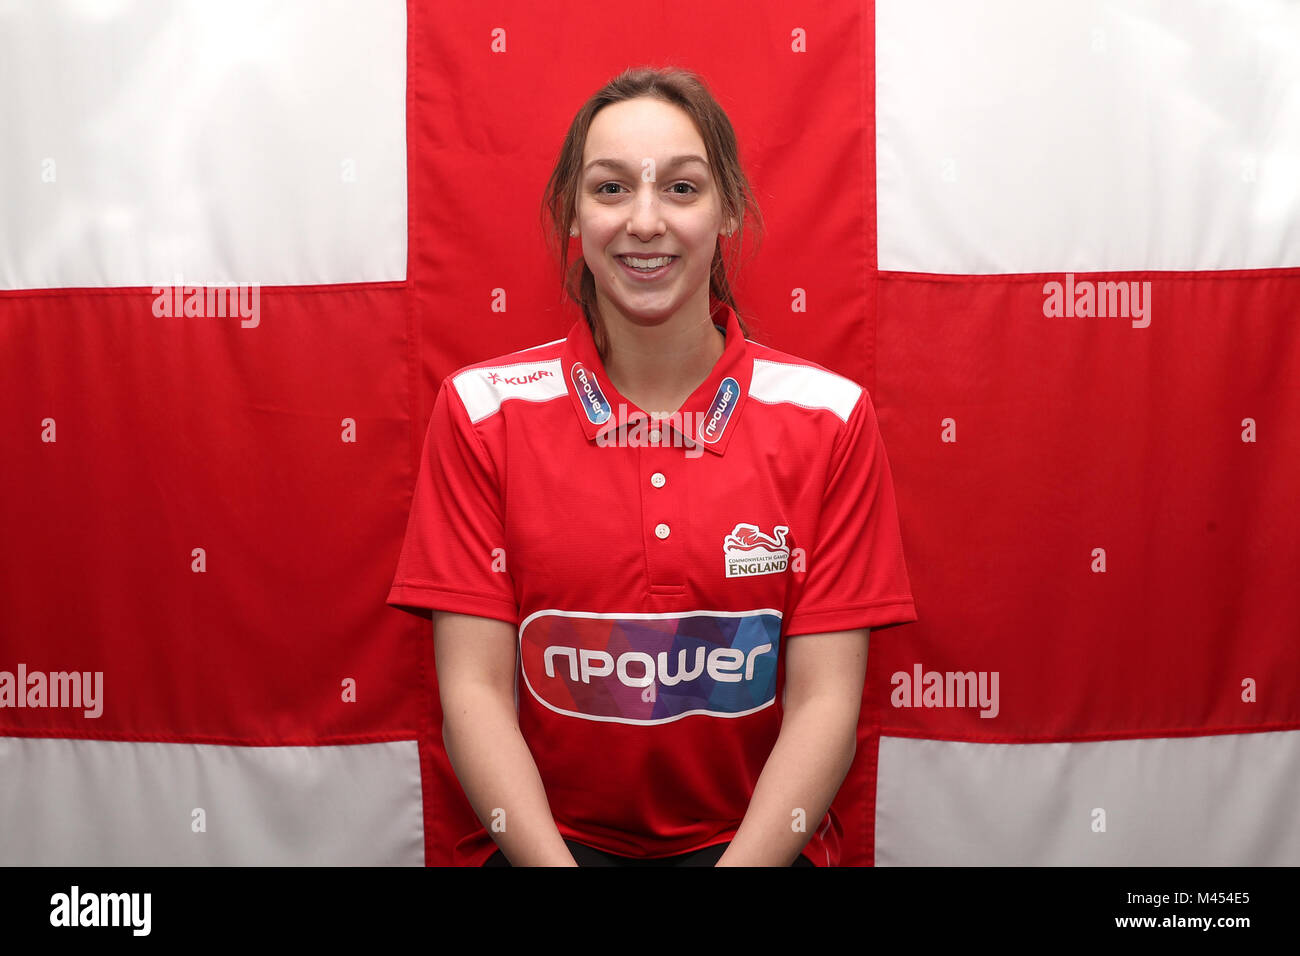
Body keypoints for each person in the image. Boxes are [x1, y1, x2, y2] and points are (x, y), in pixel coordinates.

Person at [386, 66, 918, 867]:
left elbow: (825, 704)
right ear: (572, 210)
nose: (644, 222)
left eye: (681, 188)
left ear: (728, 208)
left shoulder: (831, 417)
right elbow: (474, 694)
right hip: (548, 850)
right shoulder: (480, 411)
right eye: (608, 189)